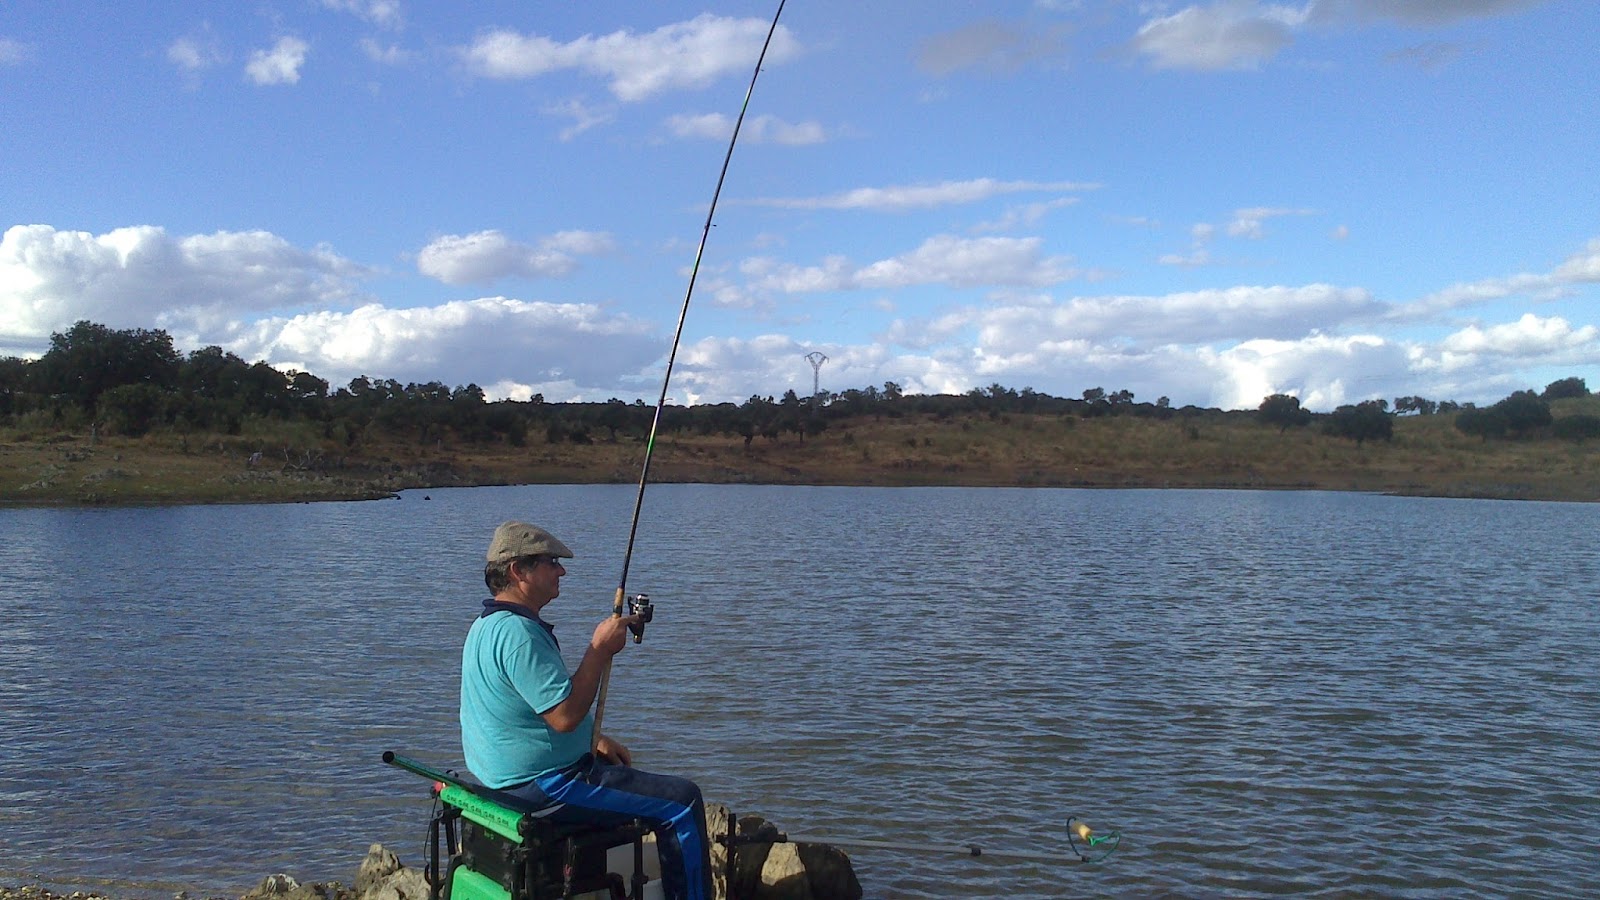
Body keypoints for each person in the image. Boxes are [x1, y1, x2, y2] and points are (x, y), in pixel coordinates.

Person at [460, 520, 713, 900]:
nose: (562, 570)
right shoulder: (519, 636)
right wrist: (598, 649)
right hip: (541, 788)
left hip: (505, 781)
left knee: (625, 774)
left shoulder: (486, 626)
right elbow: (563, 717)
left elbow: (532, 714)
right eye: (551, 562)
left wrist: (592, 740)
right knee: (682, 802)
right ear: (517, 571)